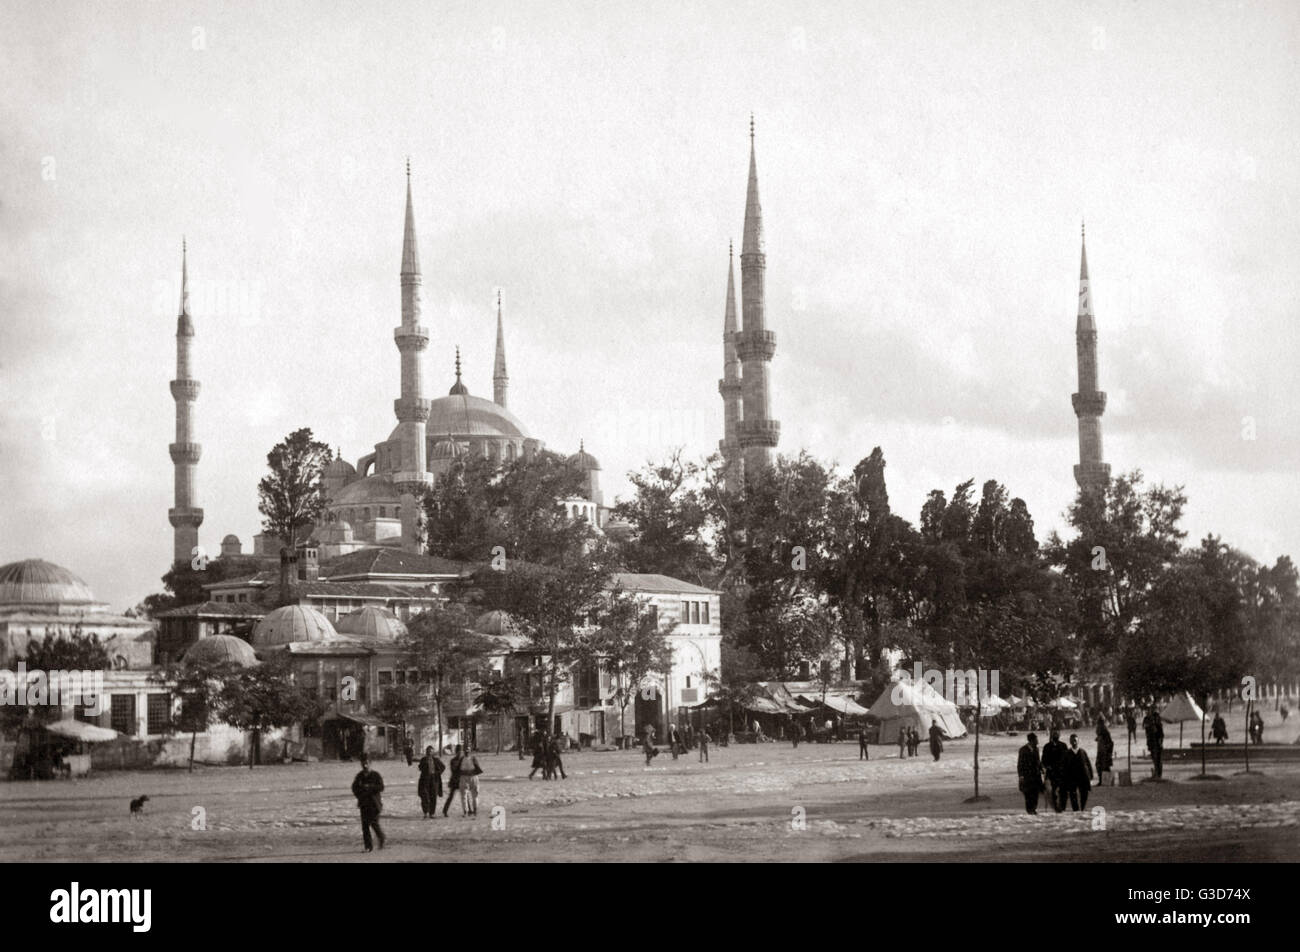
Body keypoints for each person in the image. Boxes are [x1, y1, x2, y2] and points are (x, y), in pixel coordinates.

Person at [351, 754, 385, 852]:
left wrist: (370, 786)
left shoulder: (375, 775)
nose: (365, 765)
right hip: (364, 803)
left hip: (374, 804)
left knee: (374, 823)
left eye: (366, 763)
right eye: (363, 763)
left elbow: (381, 787)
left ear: (370, 763)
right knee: (365, 826)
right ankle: (368, 847)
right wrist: (359, 794)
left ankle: (381, 837)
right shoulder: (359, 776)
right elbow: (354, 788)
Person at [1040, 728, 1068, 812]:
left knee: (1063, 791)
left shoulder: (1063, 746)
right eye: (1054, 733)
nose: (1056, 735)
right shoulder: (1047, 746)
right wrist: (1046, 766)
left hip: (1062, 772)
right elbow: (1044, 760)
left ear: (1059, 735)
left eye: (1057, 733)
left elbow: (1067, 759)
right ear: (1051, 735)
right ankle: (1056, 807)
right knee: (1054, 791)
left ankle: (1063, 807)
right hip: (1052, 772)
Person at [1017, 733, 1045, 815]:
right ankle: (1030, 810)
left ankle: (1034, 809)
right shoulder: (1023, 750)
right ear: (1031, 740)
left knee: (1036, 793)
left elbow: (1038, 761)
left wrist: (1041, 768)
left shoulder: (1036, 749)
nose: (1038, 741)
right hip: (1027, 776)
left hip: (1036, 775)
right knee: (1028, 794)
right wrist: (1021, 776)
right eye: (1036, 740)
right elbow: (1020, 764)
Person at [1066, 733, 1094, 811]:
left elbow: (1088, 764)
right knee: (1073, 794)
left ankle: (1082, 808)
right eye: (1072, 741)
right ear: (1070, 742)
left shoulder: (1082, 752)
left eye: (1075, 740)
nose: (1074, 742)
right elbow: (1065, 767)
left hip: (1083, 777)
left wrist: (1091, 776)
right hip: (1072, 777)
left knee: (1084, 793)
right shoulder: (1067, 753)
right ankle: (1076, 809)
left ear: (1078, 741)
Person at [416, 745, 444, 818]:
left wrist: (438, 773)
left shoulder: (436, 760)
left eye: (431, 751)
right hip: (425, 780)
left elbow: (443, 767)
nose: (429, 753)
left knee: (433, 796)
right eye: (428, 751)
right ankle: (425, 812)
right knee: (425, 796)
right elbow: (420, 767)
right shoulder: (423, 760)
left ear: (433, 752)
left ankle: (432, 813)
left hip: (434, 779)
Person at [1142, 706, 1164, 778]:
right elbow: (1144, 726)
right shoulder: (1147, 720)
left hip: (1157, 742)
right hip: (1151, 742)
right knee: (1155, 758)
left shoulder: (1157, 722)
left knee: (1158, 759)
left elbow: (1160, 734)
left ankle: (1158, 774)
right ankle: (1157, 773)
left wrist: (1160, 742)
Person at [460, 748, 482, 817]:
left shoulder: (472, 758)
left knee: (474, 795)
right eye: (466, 751)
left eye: (468, 751)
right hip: (465, 777)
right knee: (464, 795)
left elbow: (478, 768)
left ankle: (474, 810)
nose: (467, 752)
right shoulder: (463, 759)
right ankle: (466, 811)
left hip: (472, 777)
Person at [442, 746, 464, 817]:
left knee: (464, 796)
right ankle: (445, 810)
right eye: (458, 752)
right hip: (455, 780)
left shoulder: (464, 760)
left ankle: (468, 810)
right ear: (456, 752)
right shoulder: (453, 761)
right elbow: (454, 770)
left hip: (462, 780)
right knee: (451, 796)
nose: (460, 753)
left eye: (461, 752)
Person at [1094, 718, 1114, 787]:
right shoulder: (1102, 732)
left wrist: (1107, 752)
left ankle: (1106, 782)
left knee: (1104, 767)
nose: (1097, 727)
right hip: (1101, 752)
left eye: (1098, 724)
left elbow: (1110, 743)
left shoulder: (1104, 731)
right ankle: (1103, 781)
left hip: (1104, 753)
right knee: (1100, 766)